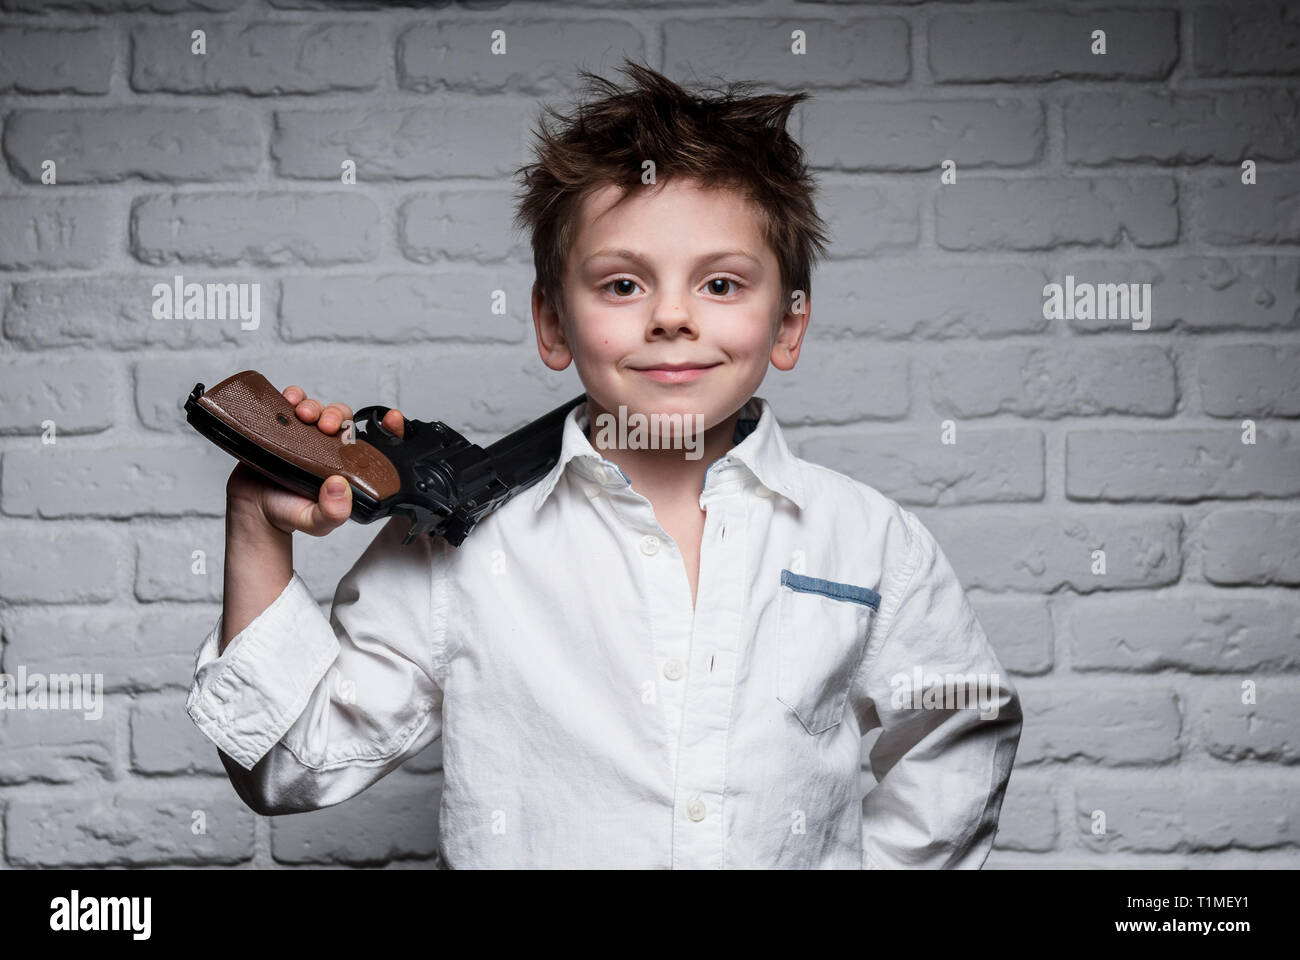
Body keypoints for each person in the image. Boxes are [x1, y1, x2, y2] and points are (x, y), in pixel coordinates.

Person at [187, 60, 1022, 869]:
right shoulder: (462, 546)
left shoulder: (871, 543)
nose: (670, 316)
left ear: (788, 326)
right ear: (553, 325)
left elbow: (959, 726)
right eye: (622, 285)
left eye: (722, 285)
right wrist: (258, 528)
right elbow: (286, 764)